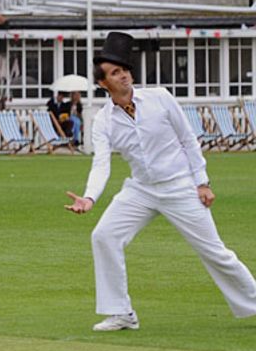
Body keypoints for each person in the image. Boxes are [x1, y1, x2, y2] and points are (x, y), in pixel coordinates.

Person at [63, 32, 256, 331]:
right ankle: (121, 313)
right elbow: (101, 163)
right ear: (103, 84)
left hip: (179, 186)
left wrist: (202, 182)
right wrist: (89, 198)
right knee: (104, 236)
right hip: (140, 190)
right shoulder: (103, 121)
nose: (123, 75)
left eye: (124, 69)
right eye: (114, 73)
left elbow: (188, 140)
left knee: (215, 252)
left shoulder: (161, 97)